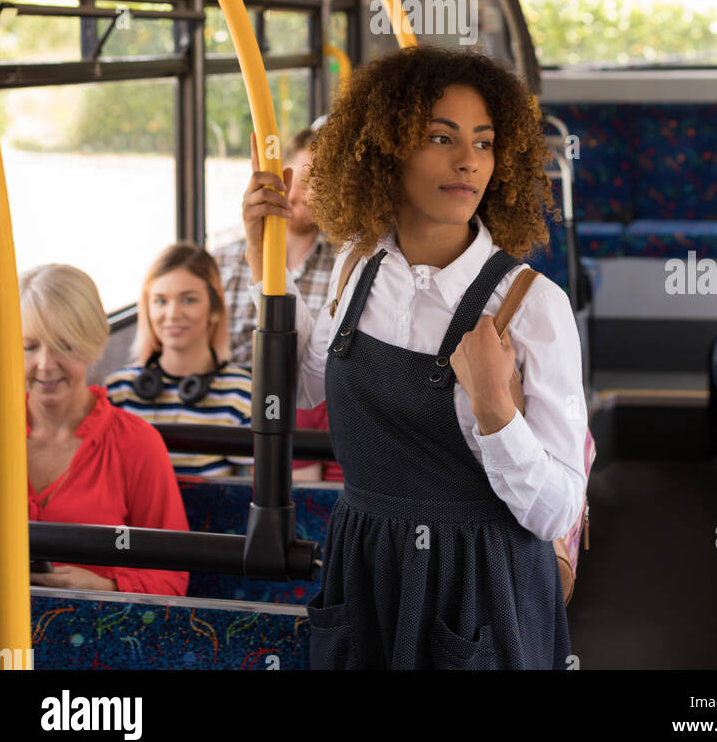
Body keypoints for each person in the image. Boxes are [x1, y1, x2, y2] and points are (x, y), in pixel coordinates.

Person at [242, 45, 588, 670]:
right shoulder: (357, 266)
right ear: (386, 148)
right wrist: (264, 266)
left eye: (484, 143)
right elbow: (297, 391)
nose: (468, 162)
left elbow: (557, 510)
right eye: (440, 137)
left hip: (483, 584)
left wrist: (495, 408)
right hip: (365, 561)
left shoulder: (532, 305)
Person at [0, 264, 189, 596]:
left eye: (64, 346)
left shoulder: (137, 444)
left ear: (92, 344)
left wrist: (105, 587)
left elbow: (172, 578)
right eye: (29, 347)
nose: (45, 364)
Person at [217, 126, 341, 481]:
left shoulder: (345, 269)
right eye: (297, 178)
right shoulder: (222, 264)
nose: (304, 191)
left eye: (318, 181)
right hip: (230, 417)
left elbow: (313, 380)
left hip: (306, 425)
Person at [106, 244, 252, 478]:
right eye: (161, 301)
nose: (172, 314)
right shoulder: (119, 391)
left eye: (188, 300)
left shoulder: (241, 393)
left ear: (214, 309)